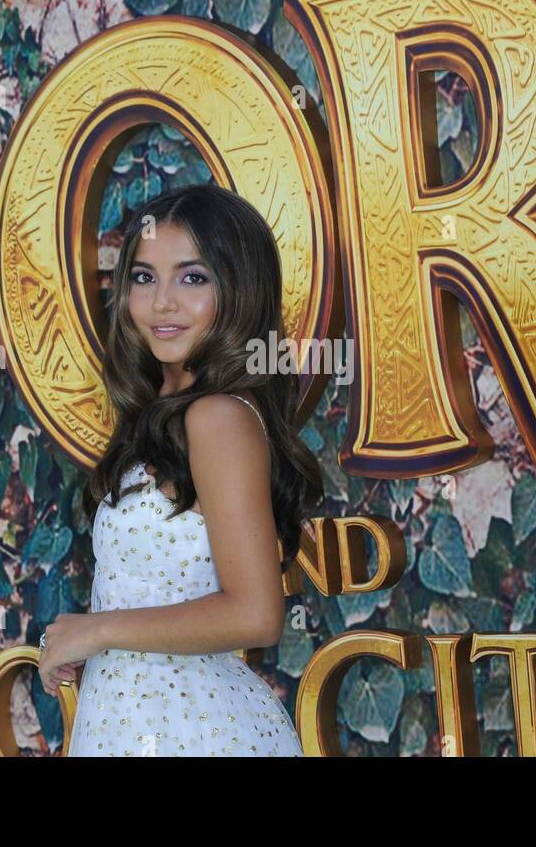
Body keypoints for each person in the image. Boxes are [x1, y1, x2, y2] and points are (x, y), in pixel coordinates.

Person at [37, 182, 325, 756]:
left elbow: (256, 614)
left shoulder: (216, 418)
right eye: (144, 277)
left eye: (193, 278)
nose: (162, 302)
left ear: (239, 288)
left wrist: (97, 630)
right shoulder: (161, 416)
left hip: (194, 733)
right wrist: (92, 640)